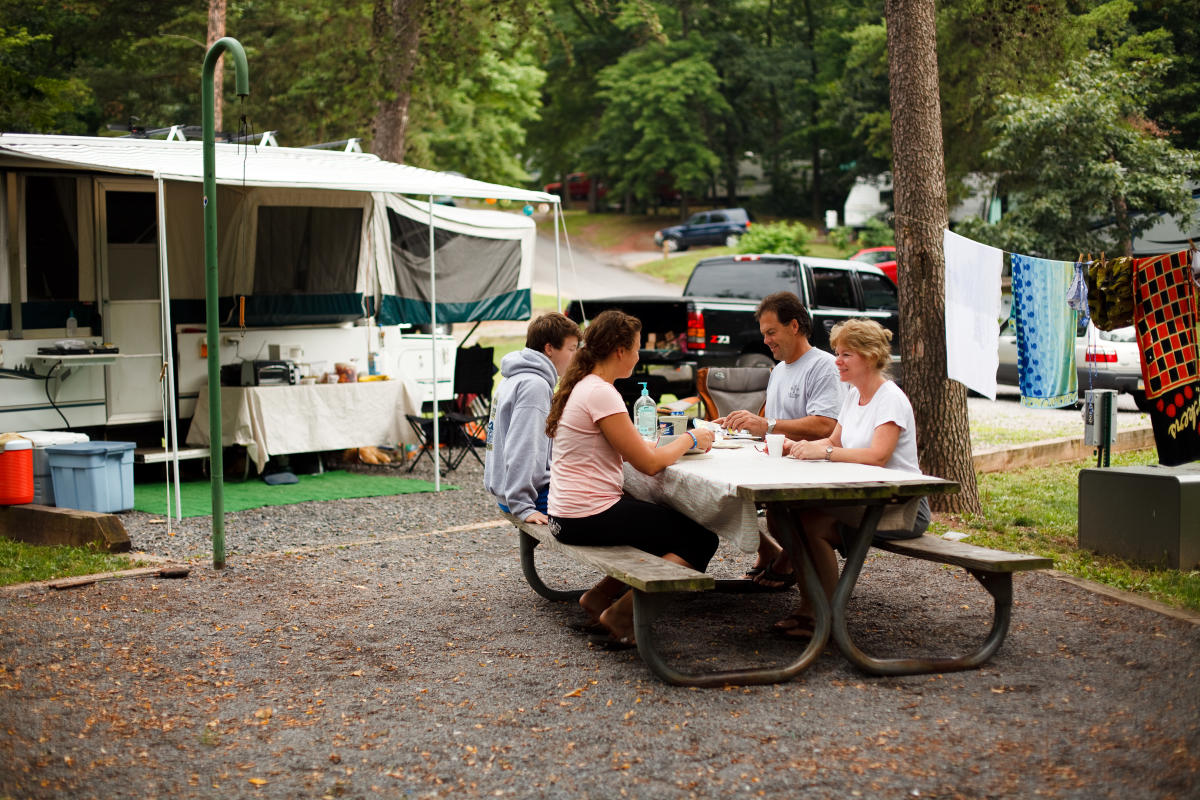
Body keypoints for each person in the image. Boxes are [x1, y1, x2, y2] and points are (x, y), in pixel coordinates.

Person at [546, 309, 719, 647]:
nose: (640, 356)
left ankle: (597, 599)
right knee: (699, 540)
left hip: (565, 514)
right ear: (620, 351)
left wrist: (662, 445)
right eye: (637, 348)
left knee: (660, 524)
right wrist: (691, 439)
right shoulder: (601, 393)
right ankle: (622, 615)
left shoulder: (584, 386)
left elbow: (630, 448)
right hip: (585, 516)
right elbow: (649, 465)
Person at [778, 318, 930, 639]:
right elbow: (834, 442)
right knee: (787, 515)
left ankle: (828, 615)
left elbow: (877, 455)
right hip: (865, 499)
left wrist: (826, 454)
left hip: (900, 507)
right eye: (837, 352)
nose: (837, 361)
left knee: (809, 522)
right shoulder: (852, 394)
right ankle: (812, 608)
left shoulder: (890, 398)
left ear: (871, 356)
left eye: (846, 354)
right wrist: (798, 446)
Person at [714, 291, 842, 588]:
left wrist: (767, 424)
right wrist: (739, 425)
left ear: (794, 326)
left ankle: (794, 572)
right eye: (764, 334)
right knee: (718, 495)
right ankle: (777, 556)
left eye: (772, 332)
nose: (766, 340)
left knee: (778, 518)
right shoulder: (779, 371)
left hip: (814, 470)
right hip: (781, 466)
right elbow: (773, 428)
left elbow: (827, 424)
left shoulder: (823, 366)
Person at [484, 312, 581, 525]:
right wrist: (522, 506)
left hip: (508, 493)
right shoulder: (534, 386)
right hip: (531, 499)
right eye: (571, 349)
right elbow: (523, 447)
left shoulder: (514, 377)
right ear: (549, 349)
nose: (575, 356)